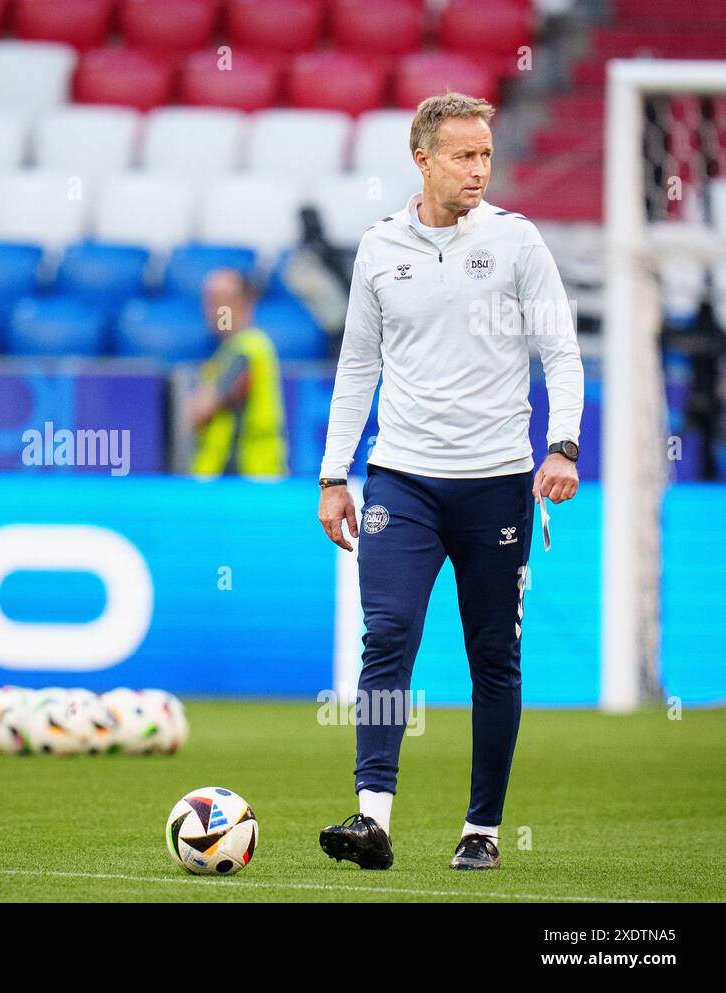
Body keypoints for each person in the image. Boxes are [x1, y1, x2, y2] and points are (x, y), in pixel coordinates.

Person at [315, 93, 584, 870]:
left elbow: (560, 353)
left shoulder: (516, 242)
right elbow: (357, 364)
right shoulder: (378, 249)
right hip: (402, 480)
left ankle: (483, 829)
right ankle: (372, 817)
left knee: (492, 655)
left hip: (497, 482)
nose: (478, 169)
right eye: (463, 155)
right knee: (388, 636)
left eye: (486, 155)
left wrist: (560, 446)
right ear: (422, 159)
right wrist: (336, 473)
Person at [189, 269, 288, 478]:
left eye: (223, 300)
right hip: (227, 478)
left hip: (246, 477)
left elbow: (202, 409)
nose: (216, 310)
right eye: (210, 301)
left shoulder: (248, 349)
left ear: (246, 304)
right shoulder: (225, 352)